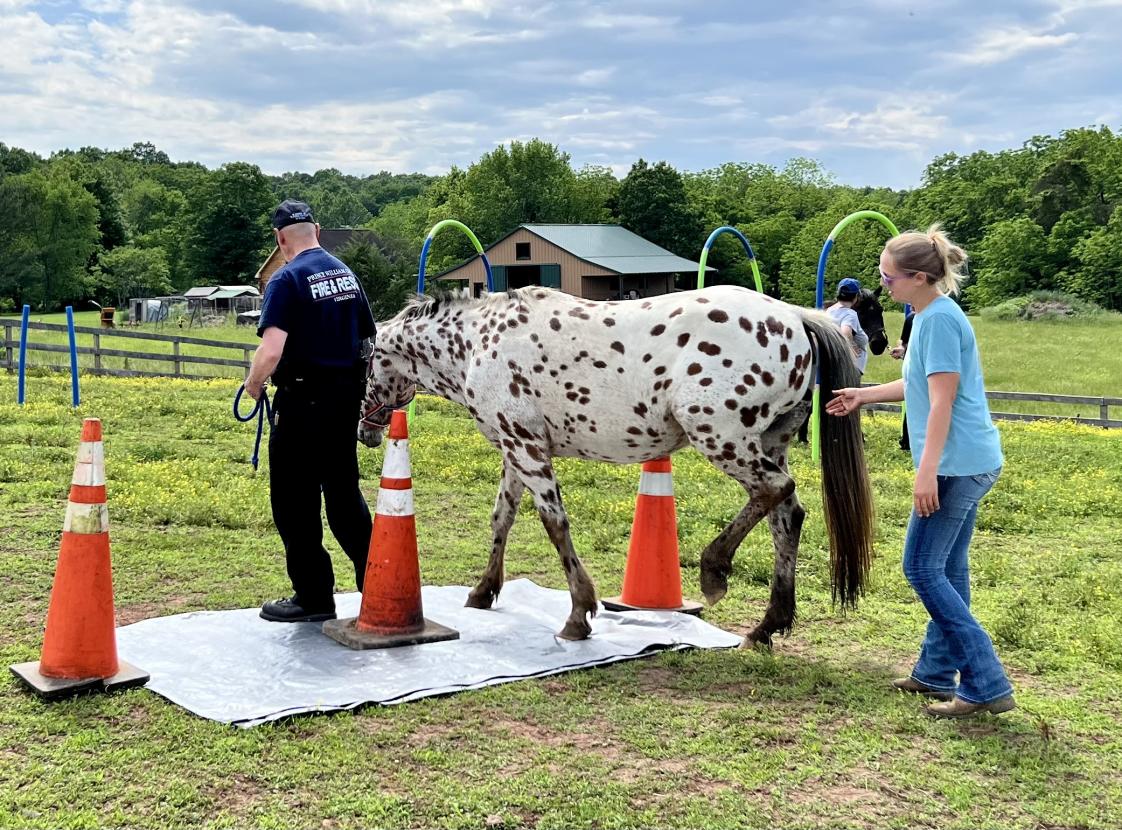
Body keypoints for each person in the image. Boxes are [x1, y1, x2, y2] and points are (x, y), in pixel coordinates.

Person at [826, 225, 1014, 719]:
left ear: (917, 276)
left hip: (957, 465)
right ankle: (935, 672)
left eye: (888, 279)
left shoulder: (940, 322)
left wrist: (926, 471)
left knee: (922, 568)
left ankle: (986, 683)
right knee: (948, 569)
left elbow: (943, 402)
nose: (882, 286)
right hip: (965, 461)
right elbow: (918, 385)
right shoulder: (929, 316)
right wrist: (862, 395)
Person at [245, 200, 376, 623]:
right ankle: (379, 586)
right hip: (344, 401)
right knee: (344, 496)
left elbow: (272, 350)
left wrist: (253, 383)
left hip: (303, 403)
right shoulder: (347, 275)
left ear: (280, 239)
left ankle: (314, 597)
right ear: (316, 229)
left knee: (294, 502)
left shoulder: (286, 280)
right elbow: (368, 340)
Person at [826, 277, 870, 374]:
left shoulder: (830, 311)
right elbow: (846, 332)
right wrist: (851, 346)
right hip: (850, 369)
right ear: (856, 296)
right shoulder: (850, 314)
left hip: (834, 364)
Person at [893, 310, 915, 451]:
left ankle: (908, 442)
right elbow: (904, 343)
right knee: (912, 403)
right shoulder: (911, 318)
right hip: (913, 372)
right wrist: (901, 350)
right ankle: (907, 442)